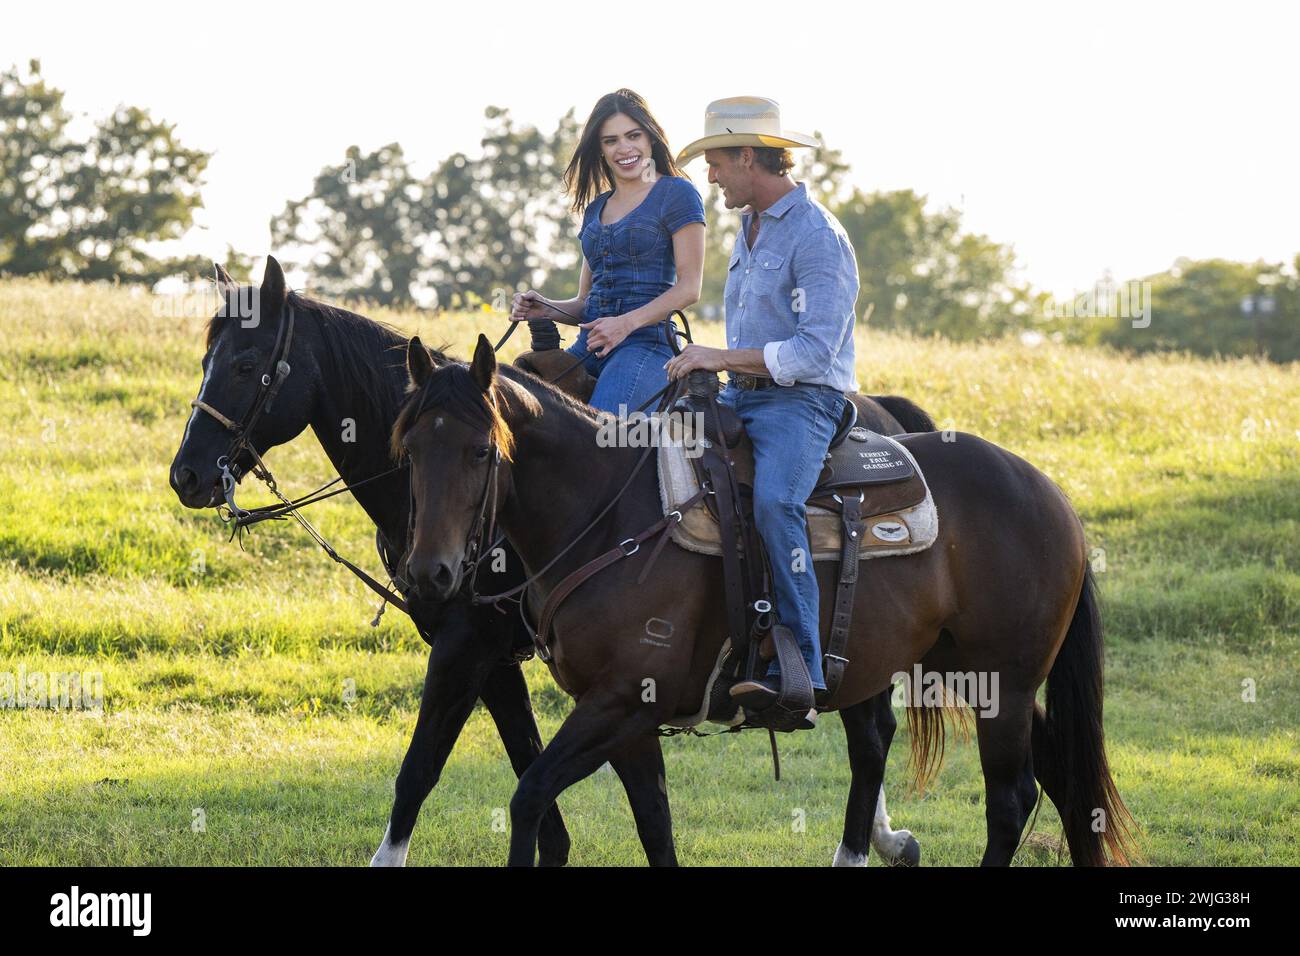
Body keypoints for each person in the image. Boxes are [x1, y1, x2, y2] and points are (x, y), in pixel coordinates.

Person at [667, 96, 859, 711]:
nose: (711, 176)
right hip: (742, 396)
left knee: (776, 502)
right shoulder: (746, 231)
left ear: (749, 157)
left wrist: (717, 359)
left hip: (804, 403)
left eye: (717, 162)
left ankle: (800, 667)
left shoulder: (818, 236)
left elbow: (811, 352)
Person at [511, 89, 705, 415]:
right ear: (599, 149)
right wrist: (544, 308)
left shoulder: (677, 194)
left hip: (645, 346)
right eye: (611, 140)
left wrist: (625, 325)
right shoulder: (595, 208)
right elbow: (585, 304)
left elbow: (689, 288)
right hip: (589, 347)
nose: (624, 148)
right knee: (522, 416)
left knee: (603, 437)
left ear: (651, 139)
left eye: (633, 136)